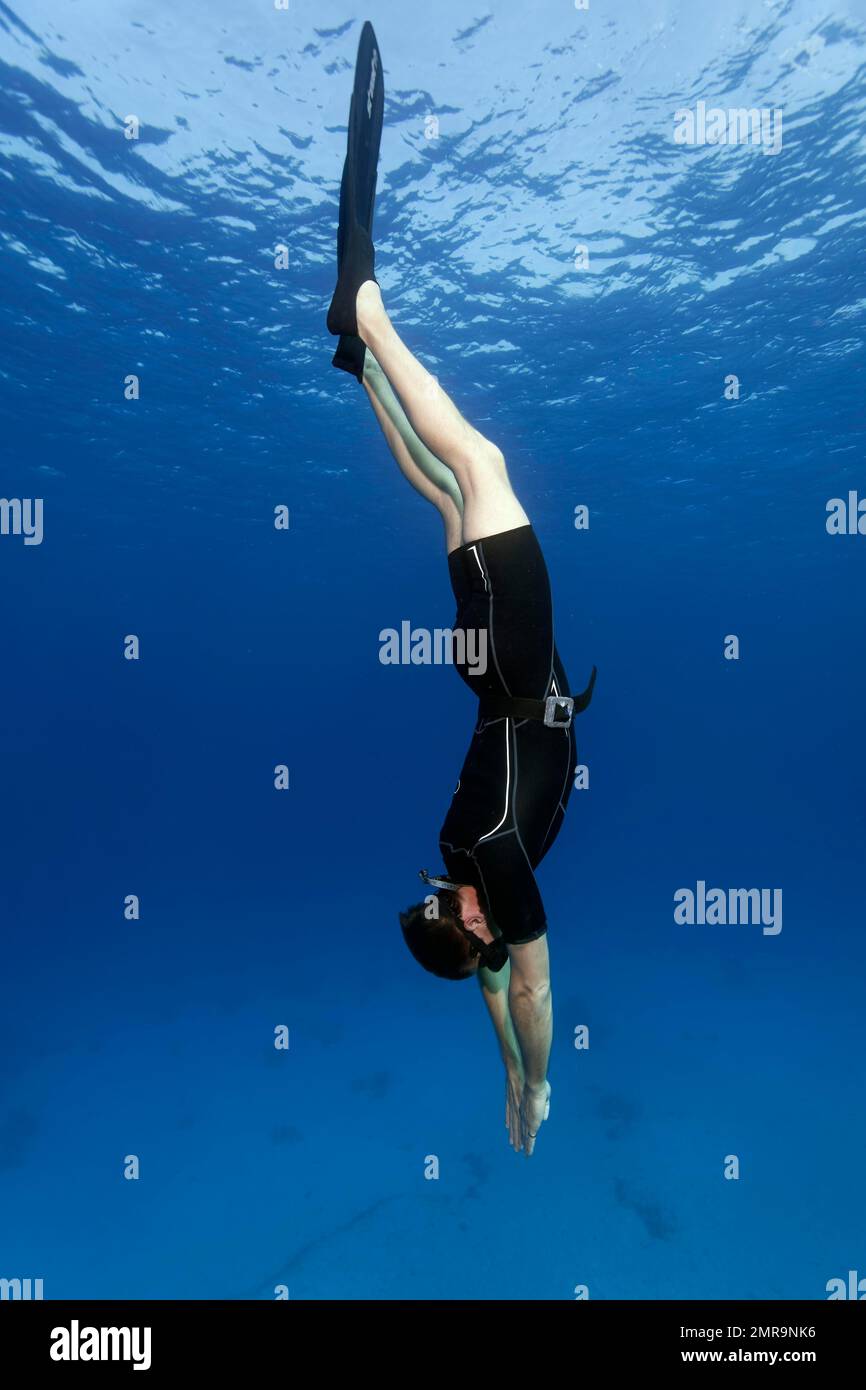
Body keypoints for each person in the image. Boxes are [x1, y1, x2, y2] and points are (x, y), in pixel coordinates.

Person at [326, 29, 594, 1157]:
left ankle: (367, 312)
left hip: (514, 669)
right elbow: (494, 998)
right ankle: (358, 366)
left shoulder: (490, 866)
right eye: (464, 912)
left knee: (477, 470)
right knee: (448, 496)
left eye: (463, 906)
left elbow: (528, 1001)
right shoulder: (469, 870)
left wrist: (537, 1088)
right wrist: (509, 1085)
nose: (475, 911)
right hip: (492, 677)